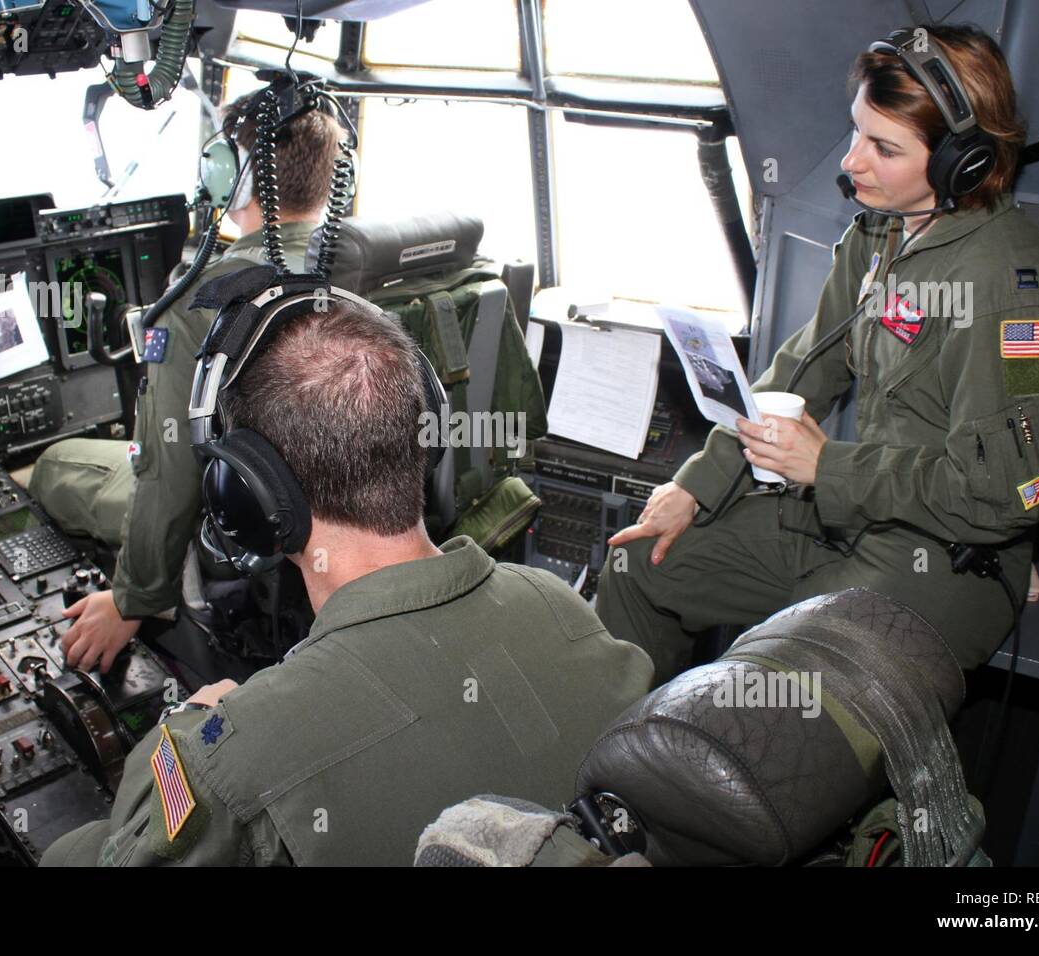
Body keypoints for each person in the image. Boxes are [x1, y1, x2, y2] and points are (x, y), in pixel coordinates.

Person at [40, 298, 653, 866]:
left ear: (254, 496)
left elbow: (130, 850)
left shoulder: (239, 755)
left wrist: (181, 733)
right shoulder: (559, 605)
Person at [597, 24, 1039, 685]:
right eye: (857, 132)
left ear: (958, 164)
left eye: (883, 147)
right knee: (640, 566)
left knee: (763, 697)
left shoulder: (1016, 295)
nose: (852, 161)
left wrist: (828, 466)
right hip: (841, 517)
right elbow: (807, 366)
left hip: (946, 558)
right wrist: (697, 485)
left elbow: (1007, 494)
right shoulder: (882, 237)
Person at [27, 93, 342, 674]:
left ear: (232, 178)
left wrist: (132, 601)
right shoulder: (357, 264)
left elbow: (168, 472)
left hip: (234, 529)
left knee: (55, 465)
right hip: (327, 511)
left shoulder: (203, 304)